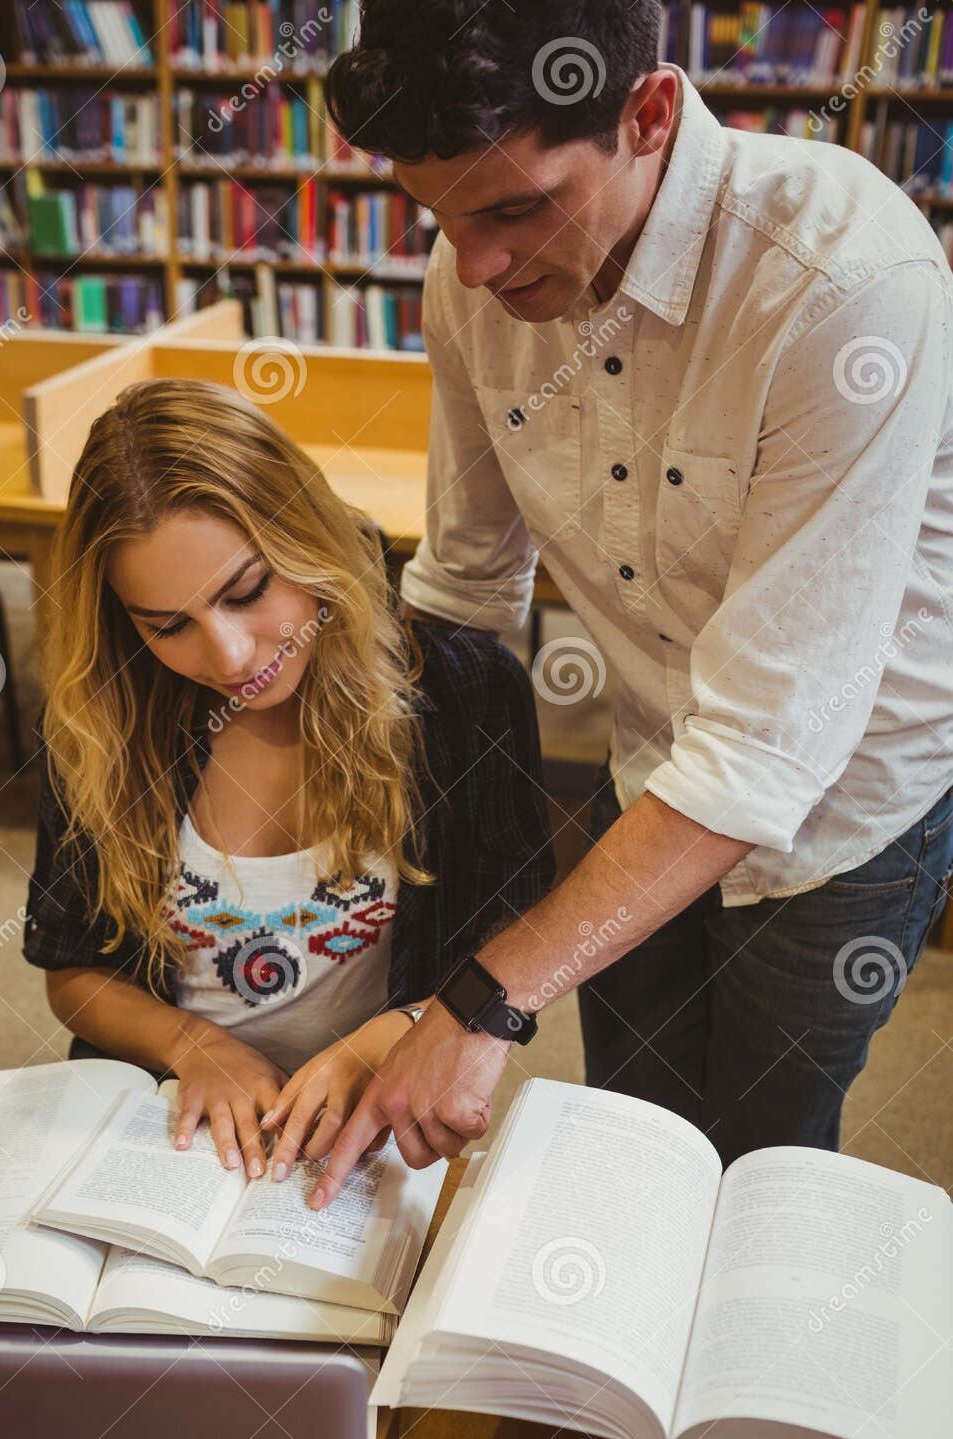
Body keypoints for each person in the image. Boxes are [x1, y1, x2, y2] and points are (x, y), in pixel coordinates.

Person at [305, 0, 953, 1209]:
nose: (473, 265)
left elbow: (769, 743)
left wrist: (488, 993)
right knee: (627, 1136)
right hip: (651, 762)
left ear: (647, 114)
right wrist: (377, 847)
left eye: (511, 207)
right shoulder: (471, 269)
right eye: (439, 217)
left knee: (759, 1168)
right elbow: (462, 588)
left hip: (845, 808)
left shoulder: (841, 277)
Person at [22, 376, 554, 1177]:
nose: (230, 657)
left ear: (306, 535)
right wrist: (191, 1044)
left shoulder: (462, 691)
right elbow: (72, 968)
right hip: (168, 1123)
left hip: (378, 1121)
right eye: (168, 626)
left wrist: (395, 1035)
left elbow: (520, 943)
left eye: (247, 592)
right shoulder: (105, 720)